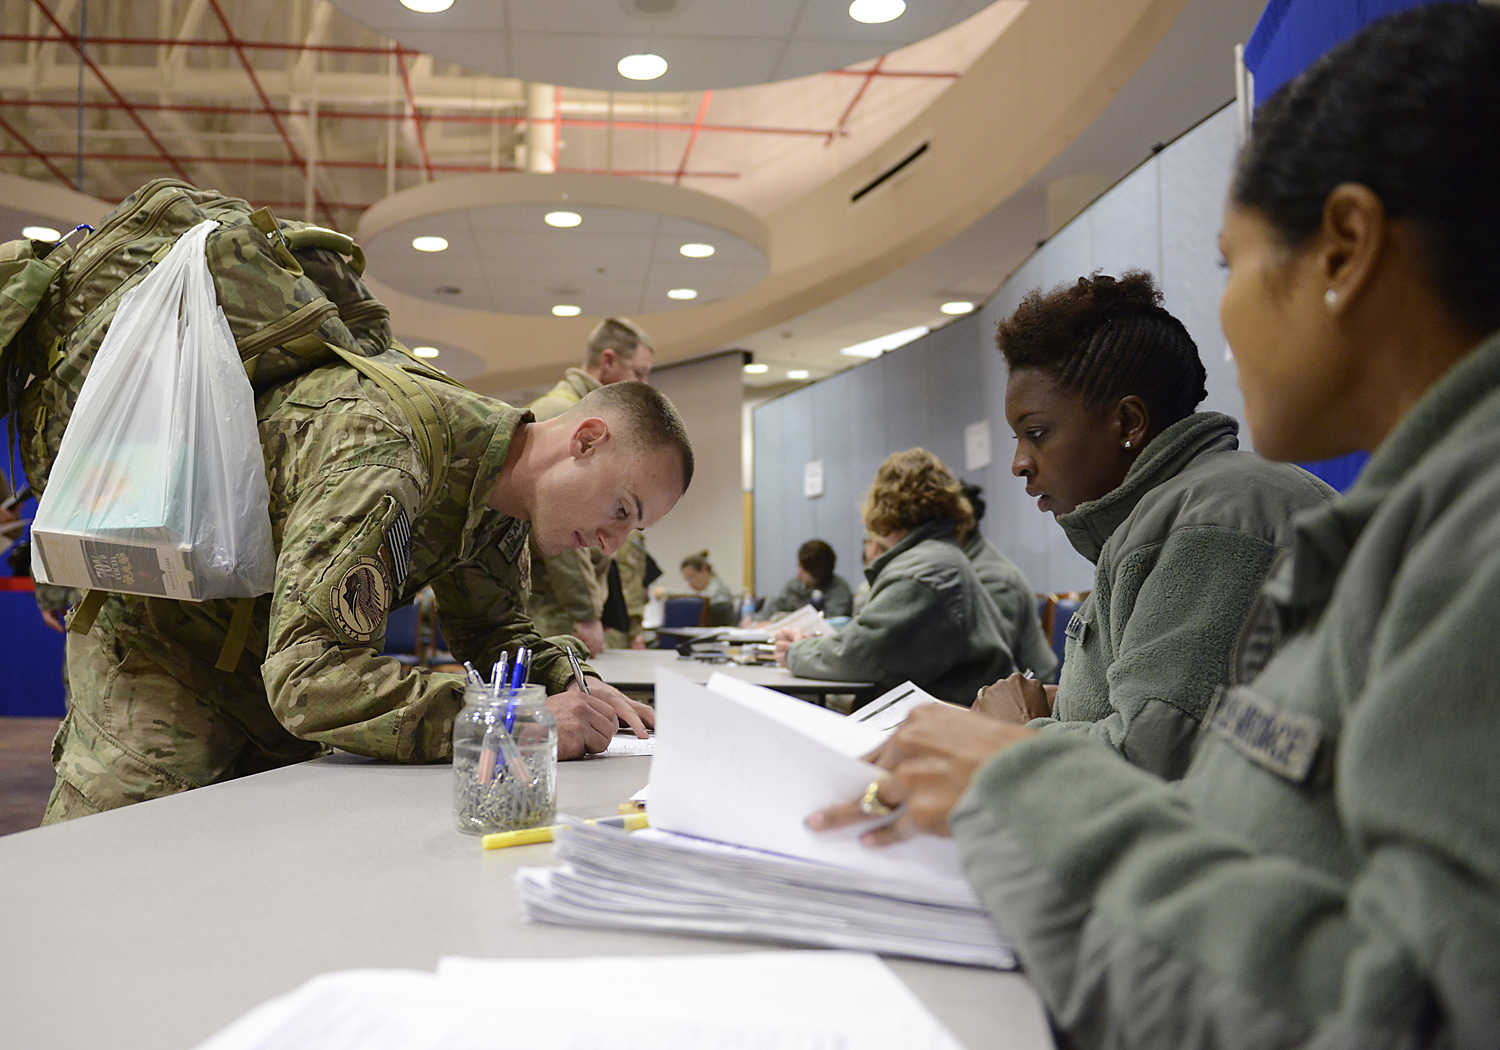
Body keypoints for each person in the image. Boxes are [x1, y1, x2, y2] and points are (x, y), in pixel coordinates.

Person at [812, 5, 1500, 1043]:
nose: (1225, 318)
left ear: (1347, 248)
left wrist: (1021, 776)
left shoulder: (1457, 542)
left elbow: (1406, 1009)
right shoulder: (1421, 523)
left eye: (1232, 264)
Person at [46, 378, 693, 823]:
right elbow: (310, 679)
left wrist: (570, 679)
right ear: (585, 440)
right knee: (106, 892)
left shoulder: (500, 499)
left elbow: (496, 637)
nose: (611, 546)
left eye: (631, 529)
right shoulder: (392, 455)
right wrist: (516, 723)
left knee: (249, 893)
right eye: (620, 509)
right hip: (163, 655)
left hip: (262, 669)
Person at [974, 269, 1332, 778]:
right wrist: (1066, 705)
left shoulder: (1210, 522)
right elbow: (1170, 711)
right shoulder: (1155, 517)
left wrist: (1014, 735)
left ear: (1129, 423)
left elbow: (1151, 754)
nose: (1020, 464)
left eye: (1036, 433)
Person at [775, 449, 1015, 705]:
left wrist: (795, 651)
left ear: (883, 506)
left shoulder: (923, 571)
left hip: (948, 724)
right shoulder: (940, 557)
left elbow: (859, 657)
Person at [526, 317, 654, 656]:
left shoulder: (579, 411)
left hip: (560, 603)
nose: (642, 384)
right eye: (639, 373)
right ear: (608, 361)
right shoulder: (567, 414)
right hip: (554, 608)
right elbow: (562, 527)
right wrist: (585, 614)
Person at [958, 483, 1056, 682]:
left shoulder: (993, 579)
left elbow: (990, 666)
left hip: (1034, 694)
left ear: (960, 525)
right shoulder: (968, 567)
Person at [758, 539, 854, 620]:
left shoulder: (839, 590)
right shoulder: (795, 585)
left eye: (804, 570)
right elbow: (773, 609)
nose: (799, 573)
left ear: (817, 572)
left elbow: (831, 621)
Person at [678, 550, 737, 627]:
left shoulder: (718, 587)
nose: (690, 583)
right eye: (687, 580)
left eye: (691, 577)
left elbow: (702, 600)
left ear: (704, 570)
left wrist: (666, 592)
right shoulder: (705, 590)